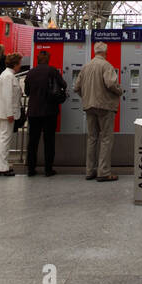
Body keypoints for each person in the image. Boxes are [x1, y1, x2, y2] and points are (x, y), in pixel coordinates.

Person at [75, 41, 123, 182]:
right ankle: (103, 172)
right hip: (105, 107)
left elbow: (76, 87)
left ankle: (89, 171)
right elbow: (111, 83)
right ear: (105, 52)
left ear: (95, 52)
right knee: (106, 139)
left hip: (89, 107)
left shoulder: (86, 67)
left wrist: (86, 97)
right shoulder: (106, 66)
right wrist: (120, 91)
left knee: (92, 138)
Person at [24, 49, 65, 177]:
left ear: (37, 59)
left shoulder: (31, 72)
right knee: (49, 141)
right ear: (48, 59)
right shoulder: (52, 71)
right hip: (49, 111)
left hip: (34, 112)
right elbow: (64, 84)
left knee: (33, 141)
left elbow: (27, 92)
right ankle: (48, 169)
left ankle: (31, 169)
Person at [0, 53, 24, 176]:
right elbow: (7, 97)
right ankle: (3, 167)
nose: (20, 66)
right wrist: (9, 114)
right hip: (7, 114)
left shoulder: (8, 75)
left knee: (3, 138)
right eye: (19, 63)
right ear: (15, 64)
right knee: (5, 139)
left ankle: (0, 164)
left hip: (6, 113)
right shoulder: (8, 77)